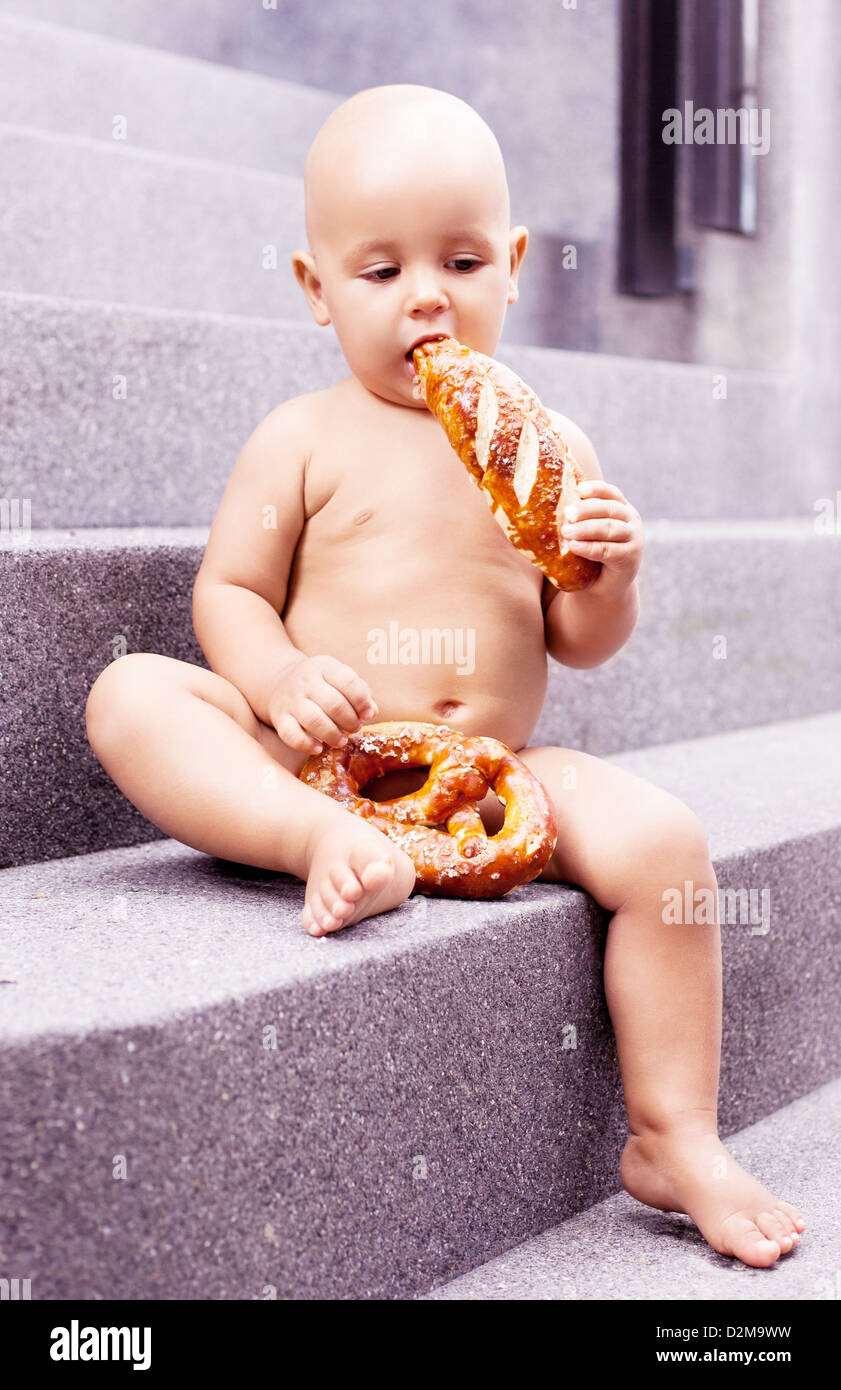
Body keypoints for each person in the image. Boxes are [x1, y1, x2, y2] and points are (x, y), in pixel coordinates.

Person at [85, 83, 804, 1268]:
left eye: (462, 260)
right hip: (319, 765)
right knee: (134, 696)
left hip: (494, 782)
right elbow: (230, 591)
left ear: (514, 266)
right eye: (381, 273)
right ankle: (309, 844)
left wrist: (607, 578)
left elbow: (575, 640)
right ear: (316, 290)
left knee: (669, 848)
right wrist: (277, 680)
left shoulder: (549, 450)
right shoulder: (303, 437)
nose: (428, 295)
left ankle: (674, 1134)